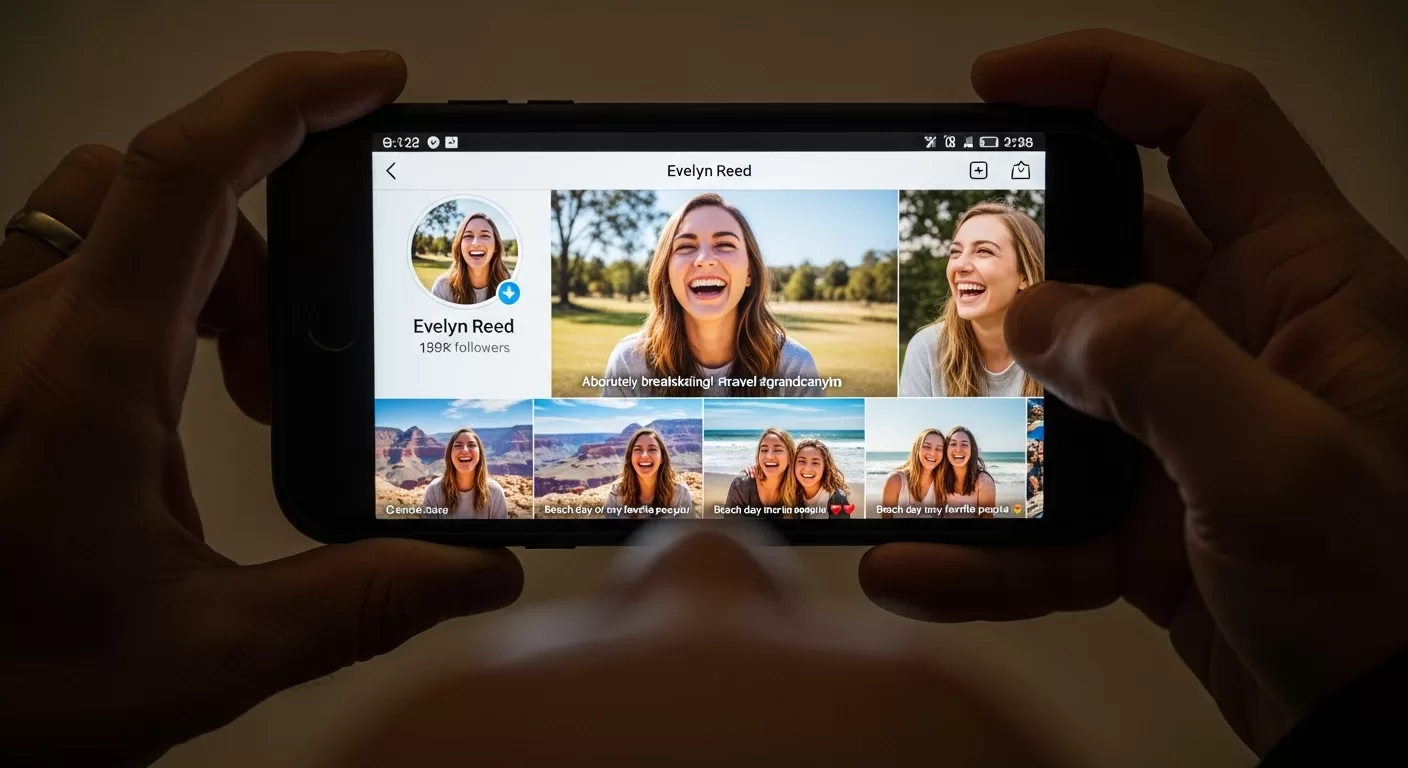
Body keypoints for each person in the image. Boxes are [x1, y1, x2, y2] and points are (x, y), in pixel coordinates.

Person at [1, 31, 1406, 767]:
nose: (708, 553)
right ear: (673, 267)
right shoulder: (628, 370)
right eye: (692, 235)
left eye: (620, 612)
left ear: (749, 261)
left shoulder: (796, 370)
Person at [602, 193, 822, 397]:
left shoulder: (795, 366)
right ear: (666, 272)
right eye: (686, 246)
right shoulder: (629, 362)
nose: (705, 259)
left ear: (749, 273)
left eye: (725, 244)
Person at [899, 201, 1045, 397]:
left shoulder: (1063, 356)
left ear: (1024, 275)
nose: (960, 265)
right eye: (956, 252)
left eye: (984, 251)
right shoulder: (926, 348)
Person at [602, 428, 695, 518]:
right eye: (638, 449)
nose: (644, 455)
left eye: (652, 449)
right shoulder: (615, 495)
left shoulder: (681, 494)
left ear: (662, 458)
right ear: (630, 458)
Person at [421, 428, 510, 519]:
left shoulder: (494, 491)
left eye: (471, 445)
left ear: (480, 454)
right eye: (458, 445)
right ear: (450, 454)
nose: (465, 450)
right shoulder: (434, 490)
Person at [428, 211, 510, 305]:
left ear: (496, 246)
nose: (476, 243)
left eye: (485, 235)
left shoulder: (512, 284)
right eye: (468, 236)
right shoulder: (442, 287)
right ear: (459, 245)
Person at [724, 427, 798, 513]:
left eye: (778, 450)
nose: (769, 456)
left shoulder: (798, 490)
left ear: (790, 457)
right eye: (764, 450)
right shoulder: (741, 486)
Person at [880, 427, 945, 517]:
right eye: (927, 446)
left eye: (938, 449)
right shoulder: (896, 481)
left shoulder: (942, 485)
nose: (933, 453)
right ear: (917, 449)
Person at [935, 426, 996, 518]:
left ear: (972, 449)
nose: (958, 449)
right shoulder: (939, 476)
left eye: (964, 444)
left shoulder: (983, 481)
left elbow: (987, 515)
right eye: (953, 444)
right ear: (946, 449)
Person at [791, 437, 853, 517]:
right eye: (802, 461)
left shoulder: (835, 498)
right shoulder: (790, 494)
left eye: (815, 463)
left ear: (825, 467)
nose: (807, 468)